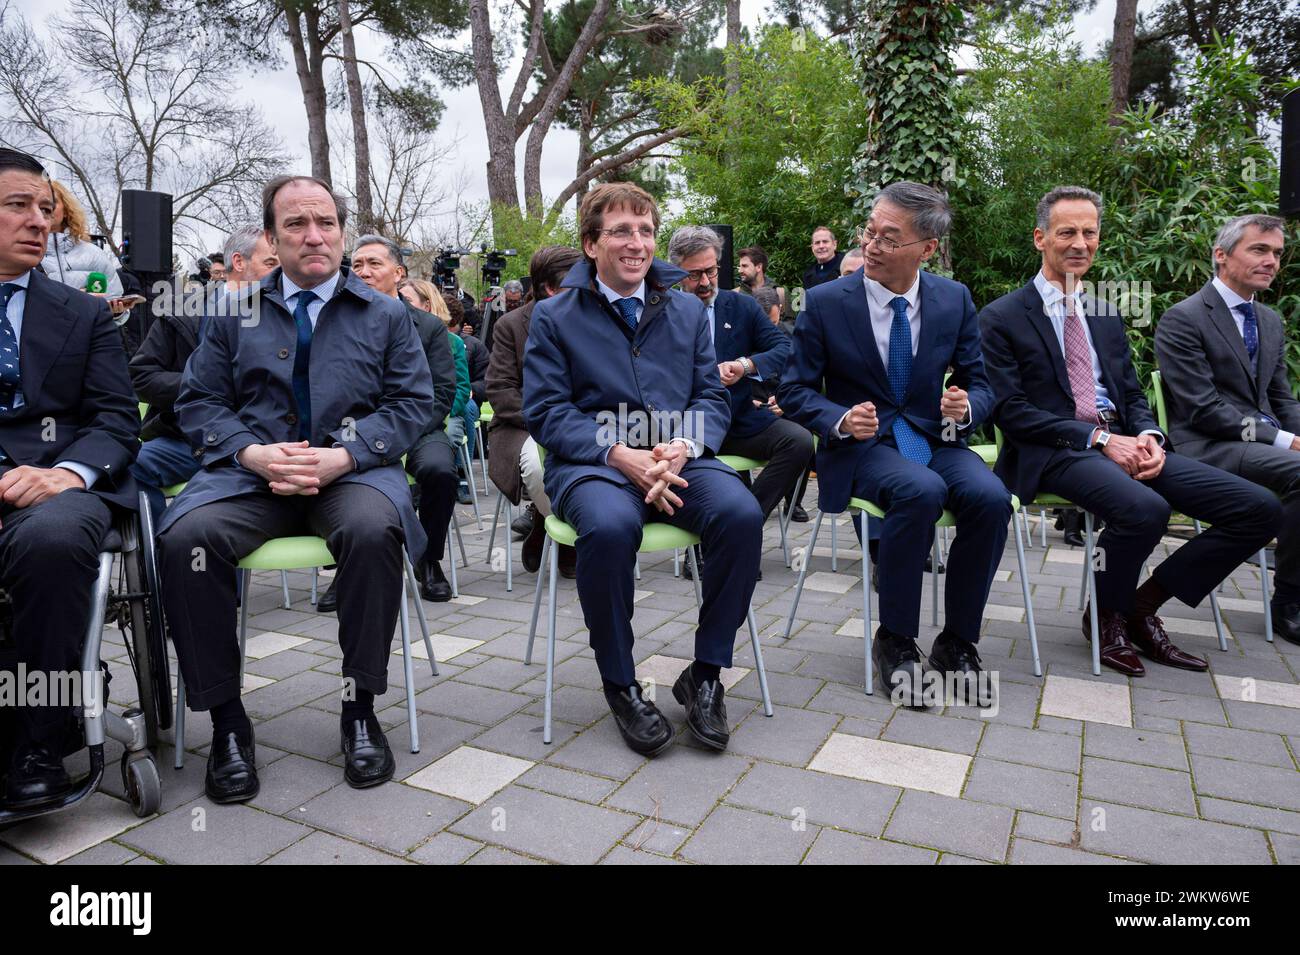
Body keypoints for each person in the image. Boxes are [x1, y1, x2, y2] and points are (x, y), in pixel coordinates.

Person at [157, 175, 434, 803]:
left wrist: (349, 454)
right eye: (296, 225)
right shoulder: (232, 312)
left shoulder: (387, 313)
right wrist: (250, 452)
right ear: (272, 238)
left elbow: (414, 403)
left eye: (326, 223)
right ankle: (227, 723)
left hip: (353, 473)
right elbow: (199, 401)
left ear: (339, 230)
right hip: (249, 474)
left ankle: (359, 709)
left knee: (372, 530)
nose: (314, 236)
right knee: (183, 538)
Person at [980, 186, 1280, 676]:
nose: (1081, 243)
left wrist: (1149, 437)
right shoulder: (1000, 317)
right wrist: (1099, 440)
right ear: (1040, 238)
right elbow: (1010, 412)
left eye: (1090, 232)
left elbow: (1132, 394)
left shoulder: (1103, 311)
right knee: (1144, 510)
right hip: (1055, 451)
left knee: (1259, 509)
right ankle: (1105, 617)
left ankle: (1140, 606)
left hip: (1124, 444)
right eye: (1067, 232)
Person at [524, 182, 763, 756]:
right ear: (590, 244)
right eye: (621, 231)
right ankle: (622, 682)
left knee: (741, 513)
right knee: (607, 529)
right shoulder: (555, 316)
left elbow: (710, 396)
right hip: (594, 463)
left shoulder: (685, 311)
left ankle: (705, 674)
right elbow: (546, 411)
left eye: (646, 231)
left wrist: (682, 445)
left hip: (674, 457)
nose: (637, 243)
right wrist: (617, 452)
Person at [781, 181, 1012, 706]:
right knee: (920, 491)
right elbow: (793, 391)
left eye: (889, 238)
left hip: (935, 438)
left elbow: (983, 382)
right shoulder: (825, 302)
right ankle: (896, 639)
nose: (872, 247)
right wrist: (839, 417)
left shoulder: (953, 299)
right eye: (870, 232)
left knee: (991, 498)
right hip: (862, 448)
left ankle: (957, 642)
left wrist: (967, 406)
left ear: (927, 249)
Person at [0, 148, 140, 809]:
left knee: (52, 542)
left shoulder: (84, 314)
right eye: (16, 206)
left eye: (44, 208)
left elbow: (116, 418)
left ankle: (38, 737)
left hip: (60, 488)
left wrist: (70, 472)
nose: (39, 221)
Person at [1155, 213, 1300, 645]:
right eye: (1259, 249)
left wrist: (1293, 431)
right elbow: (1204, 409)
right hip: (1208, 445)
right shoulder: (1184, 318)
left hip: (1259, 446)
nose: (1271, 261)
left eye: (1276, 253)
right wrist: (1287, 440)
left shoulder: (1270, 321)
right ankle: (1289, 601)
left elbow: (1282, 399)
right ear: (1221, 255)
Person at [668, 225, 810, 579]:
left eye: (711, 270)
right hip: (689, 423)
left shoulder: (741, 305)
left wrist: (745, 366)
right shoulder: (663, 308)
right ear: (676, 271)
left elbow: (783, 348)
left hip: (741, 417)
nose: (705, 282)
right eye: (694, 274)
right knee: (692, 459)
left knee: (800, 442)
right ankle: (710, 543)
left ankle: (737, 529)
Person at [334, 235, 458, 609]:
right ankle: (346, 568)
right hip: (357, 428)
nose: (364, 272)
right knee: (335, 469)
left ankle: (429, 560)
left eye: (374, 264)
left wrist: (399, 433)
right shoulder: (337, 321)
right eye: (357, 265)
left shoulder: (429, 327)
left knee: (440, 471)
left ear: (398, 273)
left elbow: (442, 392)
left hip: (417, 426)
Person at [130, 224, 280, 521]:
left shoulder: (288, 313)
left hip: (255, 445)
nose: (280, 273)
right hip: (184, 440)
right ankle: (158, 557)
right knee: (127, 468)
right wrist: (202, 384)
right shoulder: (181, 311)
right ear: (238, 262)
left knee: (220, 517)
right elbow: (142, 377)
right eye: (271, 263)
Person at [486, 246, 580, 576]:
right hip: (522, 425)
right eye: (576, 281)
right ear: (549, 288)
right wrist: (548, 420)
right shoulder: (511, 325)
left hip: (581, 422)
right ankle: (567, 537)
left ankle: (544, 520)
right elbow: (500, 390)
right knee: (540, 469)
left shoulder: (593, 319)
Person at [42, 179, 125, 307]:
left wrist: (117, 311)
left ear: (66, 210)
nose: (47, 208)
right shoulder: (19, 254)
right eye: (40, 204)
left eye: (52, 202)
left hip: (87, 327)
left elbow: (115, 300)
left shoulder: (94, 254)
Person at [801, 225, 844, 291]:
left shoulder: (846, 266)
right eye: (817, 243)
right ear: (812, 247)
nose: (821, 246)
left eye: (825, 241)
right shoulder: (807, 274)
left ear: (834, 244)